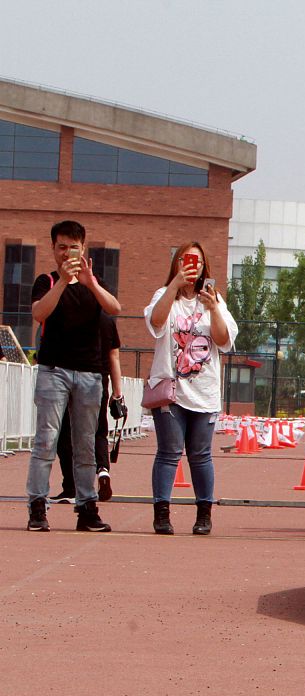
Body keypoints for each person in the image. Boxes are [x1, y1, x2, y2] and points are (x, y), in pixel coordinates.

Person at [26, 220, 121, 533]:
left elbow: (115, 308)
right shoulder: (47, 280)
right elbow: (39, 313)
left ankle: (87, 508)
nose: (67, 253)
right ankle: (38, 507)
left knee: (85, 445)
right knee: (46, 441)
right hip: (53, 370)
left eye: (73, 247)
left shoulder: (95, 283)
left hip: (90, 375)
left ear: (84, 248)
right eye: (61, 247)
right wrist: (63, 283)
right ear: (54, 249)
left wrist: (90, 282)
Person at [144, 242, 238, 535]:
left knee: (200, 455)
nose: (192, 265)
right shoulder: (164, 295)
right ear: (176, 263)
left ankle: (204, 513)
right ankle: (162, 513)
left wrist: (214, 310)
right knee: (169, 451)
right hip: (171, 390)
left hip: (204, 391)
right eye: (186, 260)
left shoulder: (214, 300)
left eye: (197, 261)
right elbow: (156, 324)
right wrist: (173, 286)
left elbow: (224, 342)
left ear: (204, 266)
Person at [50, 312, 124, 504]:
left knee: (66, 433)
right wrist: (118, 392)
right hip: (100, 380)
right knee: (99, 431)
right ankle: (103, 470)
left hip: (73, 379)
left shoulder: (73, 317)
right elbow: (114, 356)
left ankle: (71, 486)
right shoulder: (108, 321)